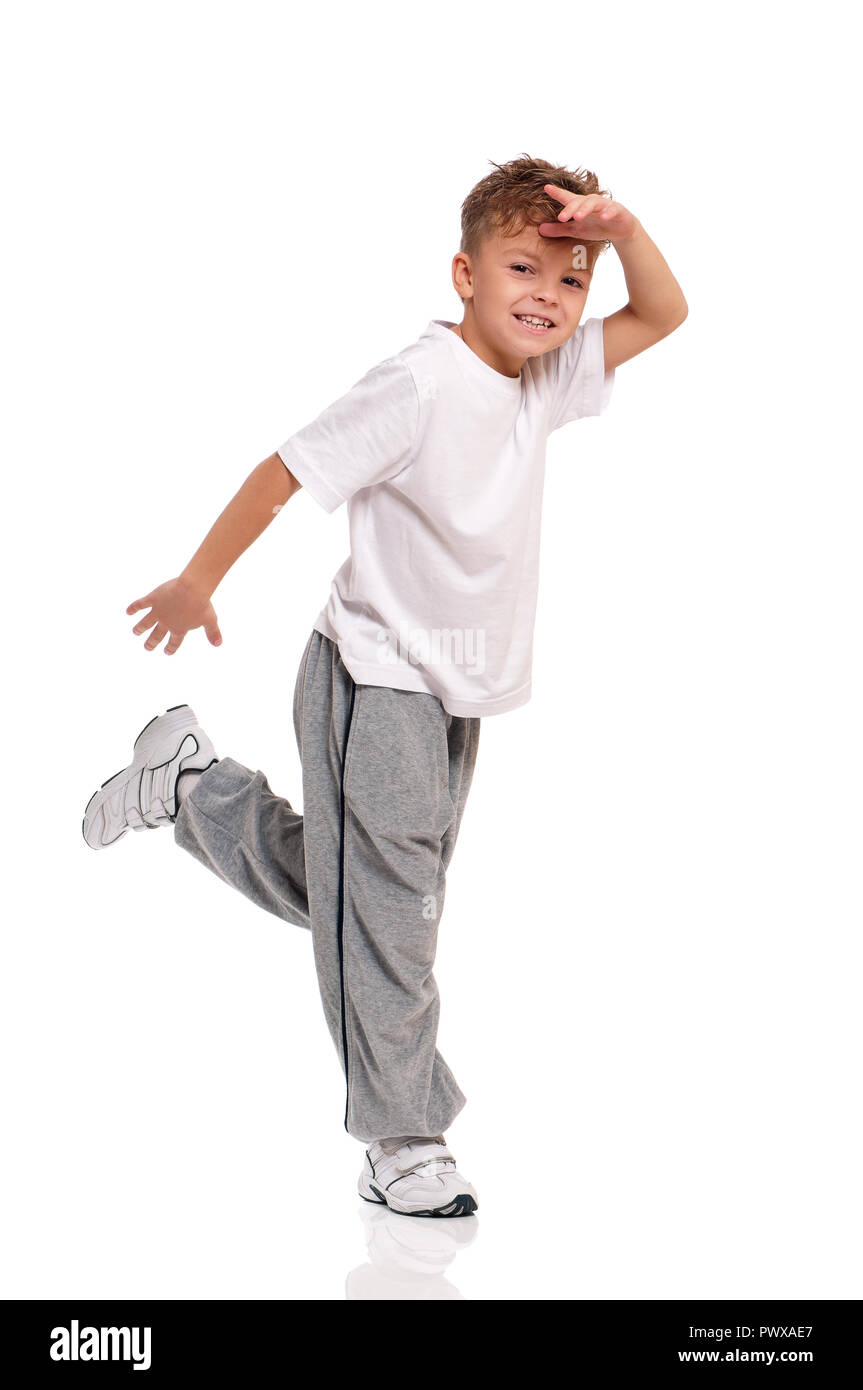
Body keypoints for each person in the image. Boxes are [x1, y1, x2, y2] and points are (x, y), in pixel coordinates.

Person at [81, 153, 687, 1218]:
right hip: (377, 678)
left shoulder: (541, 378)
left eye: (569, 278)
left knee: (366, 903)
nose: (547, 296)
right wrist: (196, 579)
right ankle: (401, 1137)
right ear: (463, 272)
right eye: (521, 268)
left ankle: (190, 785)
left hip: (454, 693)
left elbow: (666, 312)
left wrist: (623, 226)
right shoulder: (417, 382)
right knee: (393, 914)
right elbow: (283, 472)